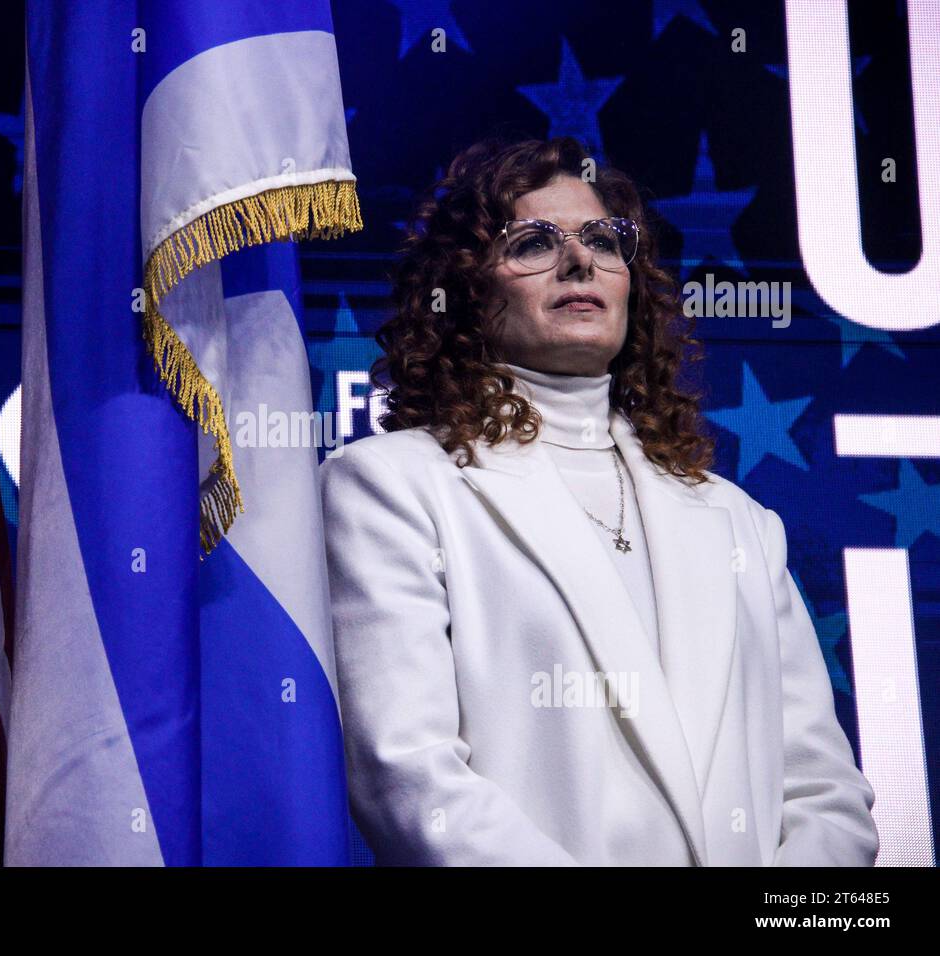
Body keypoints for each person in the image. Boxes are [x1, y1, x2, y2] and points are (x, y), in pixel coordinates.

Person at [319, 135, 878, 866]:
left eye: (604, 240)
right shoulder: (390, 486)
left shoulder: (739, 520)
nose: (580, 261)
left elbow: (824, 795)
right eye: (532, 243)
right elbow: (412, 780)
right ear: (464, 289)